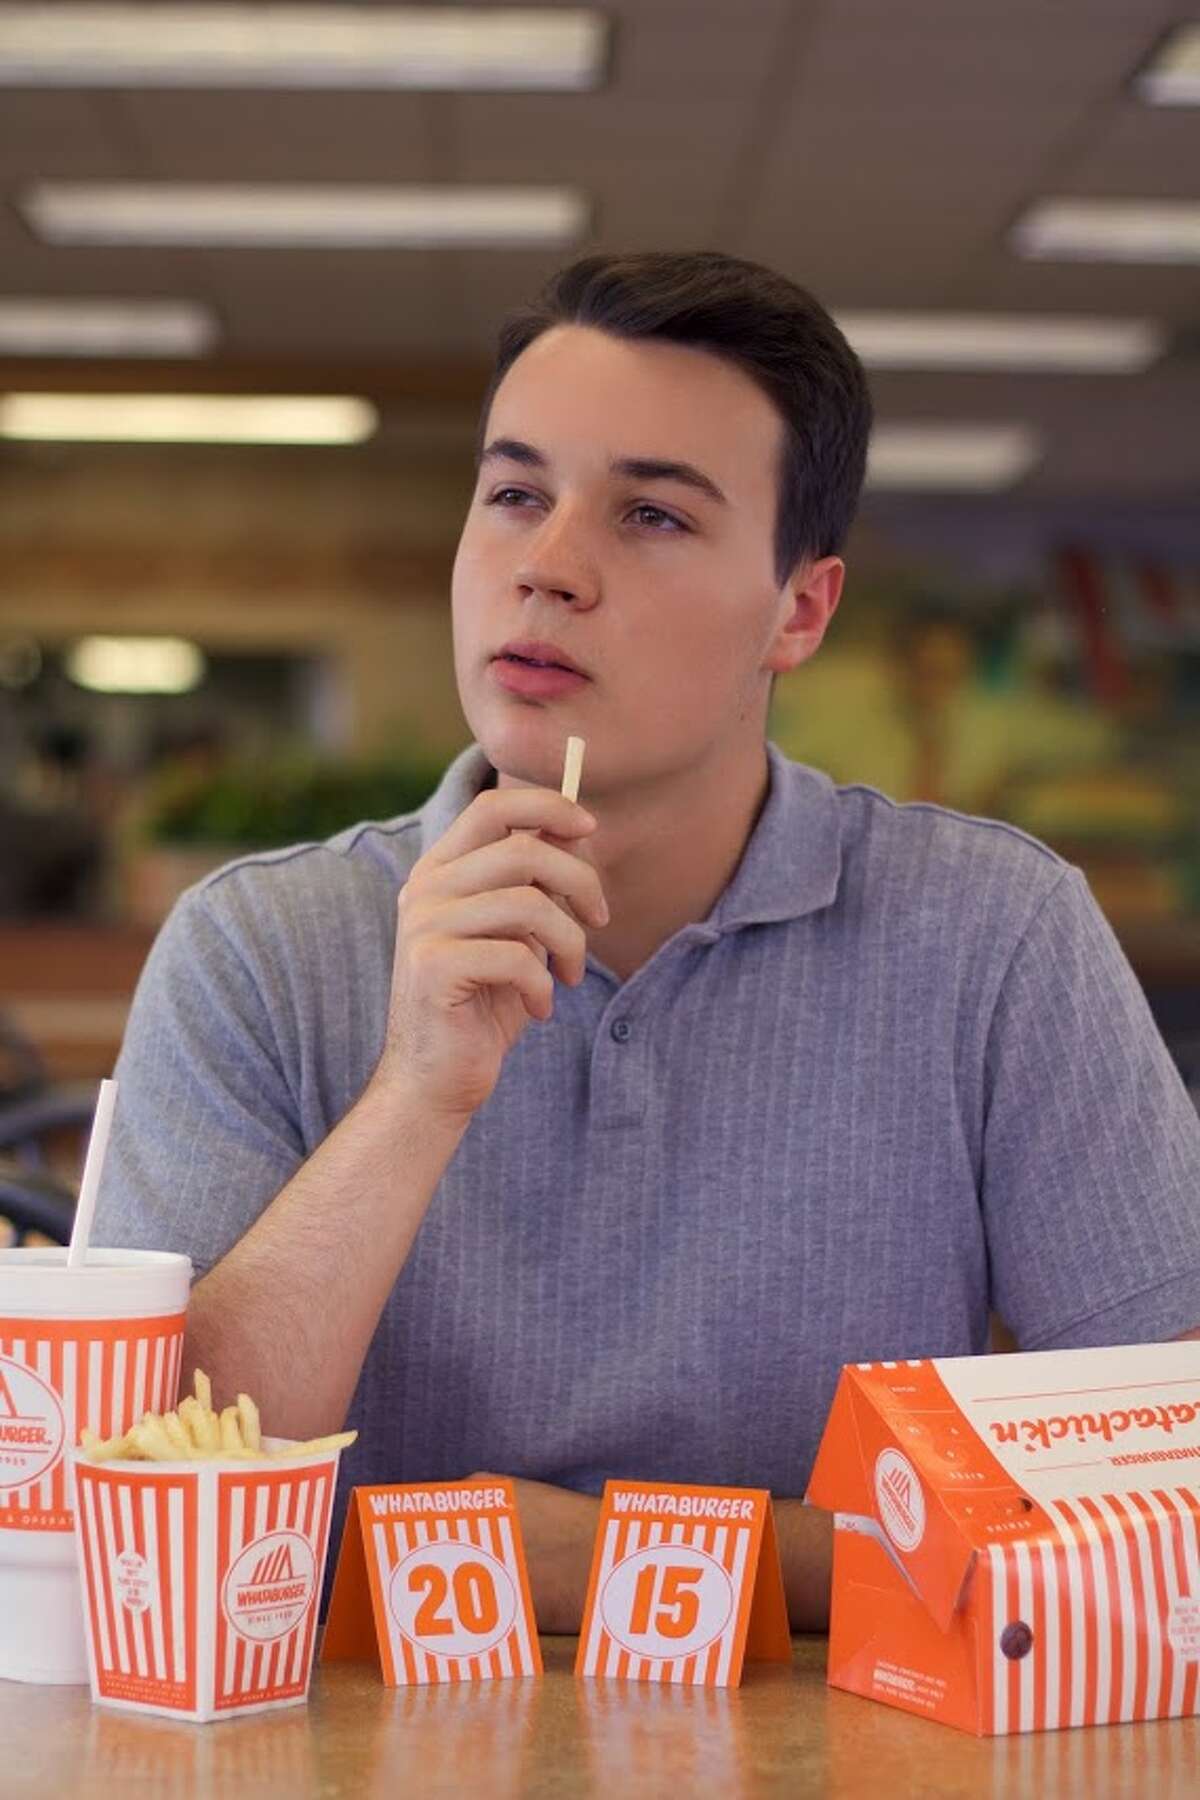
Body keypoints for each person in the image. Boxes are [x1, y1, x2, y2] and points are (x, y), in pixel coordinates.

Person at [94, 251, 1200, 1632]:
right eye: (515, 495)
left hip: (842, 1733)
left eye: (653, 516)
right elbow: (139, 1509)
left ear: (798, 611)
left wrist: (635, 1557)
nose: (548, 568)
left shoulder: (995, 936)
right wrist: (419, 1091)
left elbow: (1168, 1502)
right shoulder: (257, 948)